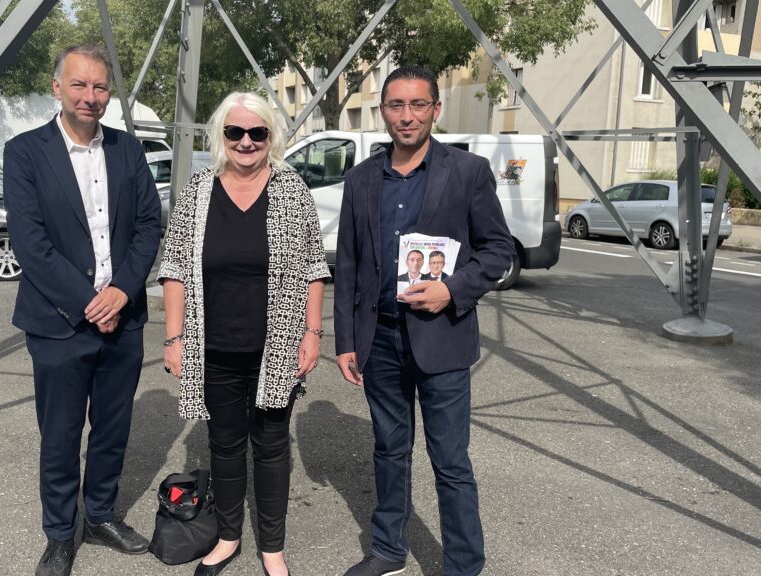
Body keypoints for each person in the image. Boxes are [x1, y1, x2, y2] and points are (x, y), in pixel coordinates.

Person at [333, 66, 515, 576]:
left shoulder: (468, 171)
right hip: (382, 340)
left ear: (436, 109)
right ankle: (388, 549)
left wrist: (451, 290)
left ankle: (463, 565)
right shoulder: (361, 178)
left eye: (418, 105)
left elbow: (497, 249)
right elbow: (348, 264)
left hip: (443, 339)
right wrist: (345, 341)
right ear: (383, 111)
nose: (406, 116)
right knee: (390, 449)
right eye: (396, 105)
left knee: (450, 462)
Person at [4, 44, 161, 576]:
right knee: (62, 434)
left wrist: (121, 291)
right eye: (79, 85)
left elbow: (147, 227)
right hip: (58, 324)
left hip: (125, 319)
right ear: (57, 88)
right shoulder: (25, 153)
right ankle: (59, 534)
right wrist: (92, 304)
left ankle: (100, 517)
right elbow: (31, 245)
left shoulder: (127, 150)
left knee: (113, 429)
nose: (90, 97)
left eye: (99, 87)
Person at [158, 91, 329, 576]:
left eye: (258, 132)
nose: (246, 141)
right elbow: (174, 269)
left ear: (270, 137)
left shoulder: (292, 190)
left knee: (272, 447)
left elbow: (313, 267)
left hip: (275, 347)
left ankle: (272, 548)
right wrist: (174, 340)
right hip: (213, 348)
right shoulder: (197, 192)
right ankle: (229, 537)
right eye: (235, 132)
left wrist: (312, 332)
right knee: (225, 445)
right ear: (222, 137)